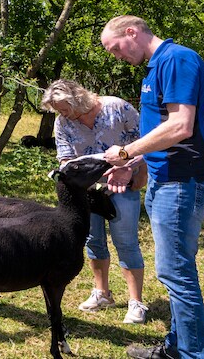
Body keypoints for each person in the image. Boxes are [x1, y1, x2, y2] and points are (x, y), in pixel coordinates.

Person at [100, 15, 204, 359]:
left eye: (116, 49)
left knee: (174, 270)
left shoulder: (177, 59)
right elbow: (160, 135)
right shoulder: (156, 68)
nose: (117, 56)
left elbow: (181, 126)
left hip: (183, 180)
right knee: (173, 268)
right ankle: (176, 346)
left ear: (132, 32)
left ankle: (191, 354)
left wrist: (125, 151)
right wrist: (134, 164)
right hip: (164, 178)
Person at [41, 79, 148, 325]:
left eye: (63, 107)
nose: (61, 114)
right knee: (93, 240)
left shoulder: (117, 108)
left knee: (126, 242)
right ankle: (102, 293)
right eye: (58, 109)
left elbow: (146, 142)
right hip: (86, 191)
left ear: (77, 98)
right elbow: (65, 159)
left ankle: (136, 302)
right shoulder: (62, 122)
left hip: (123, 184)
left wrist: (131, 170)